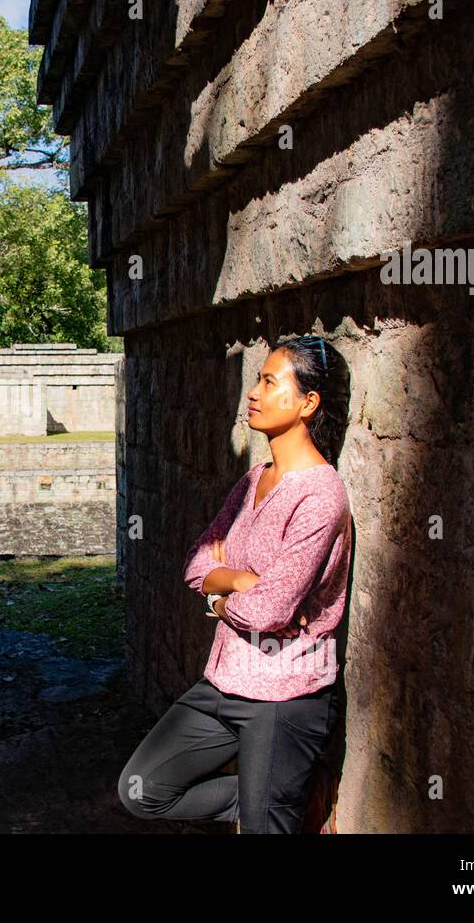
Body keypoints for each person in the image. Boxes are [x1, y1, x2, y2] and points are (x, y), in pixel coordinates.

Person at [117, 335, 353, 833]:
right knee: (142, 788)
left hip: (284, 695)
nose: (253, 392)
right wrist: (237, 581)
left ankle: (280, 803)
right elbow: (196, 562)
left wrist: (222, 599)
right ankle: (273, 799)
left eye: (269, 382)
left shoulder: (321, 496)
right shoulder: (251, 482)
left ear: (308, 402)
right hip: (224, 682)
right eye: (257, 379)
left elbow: (268, 610)